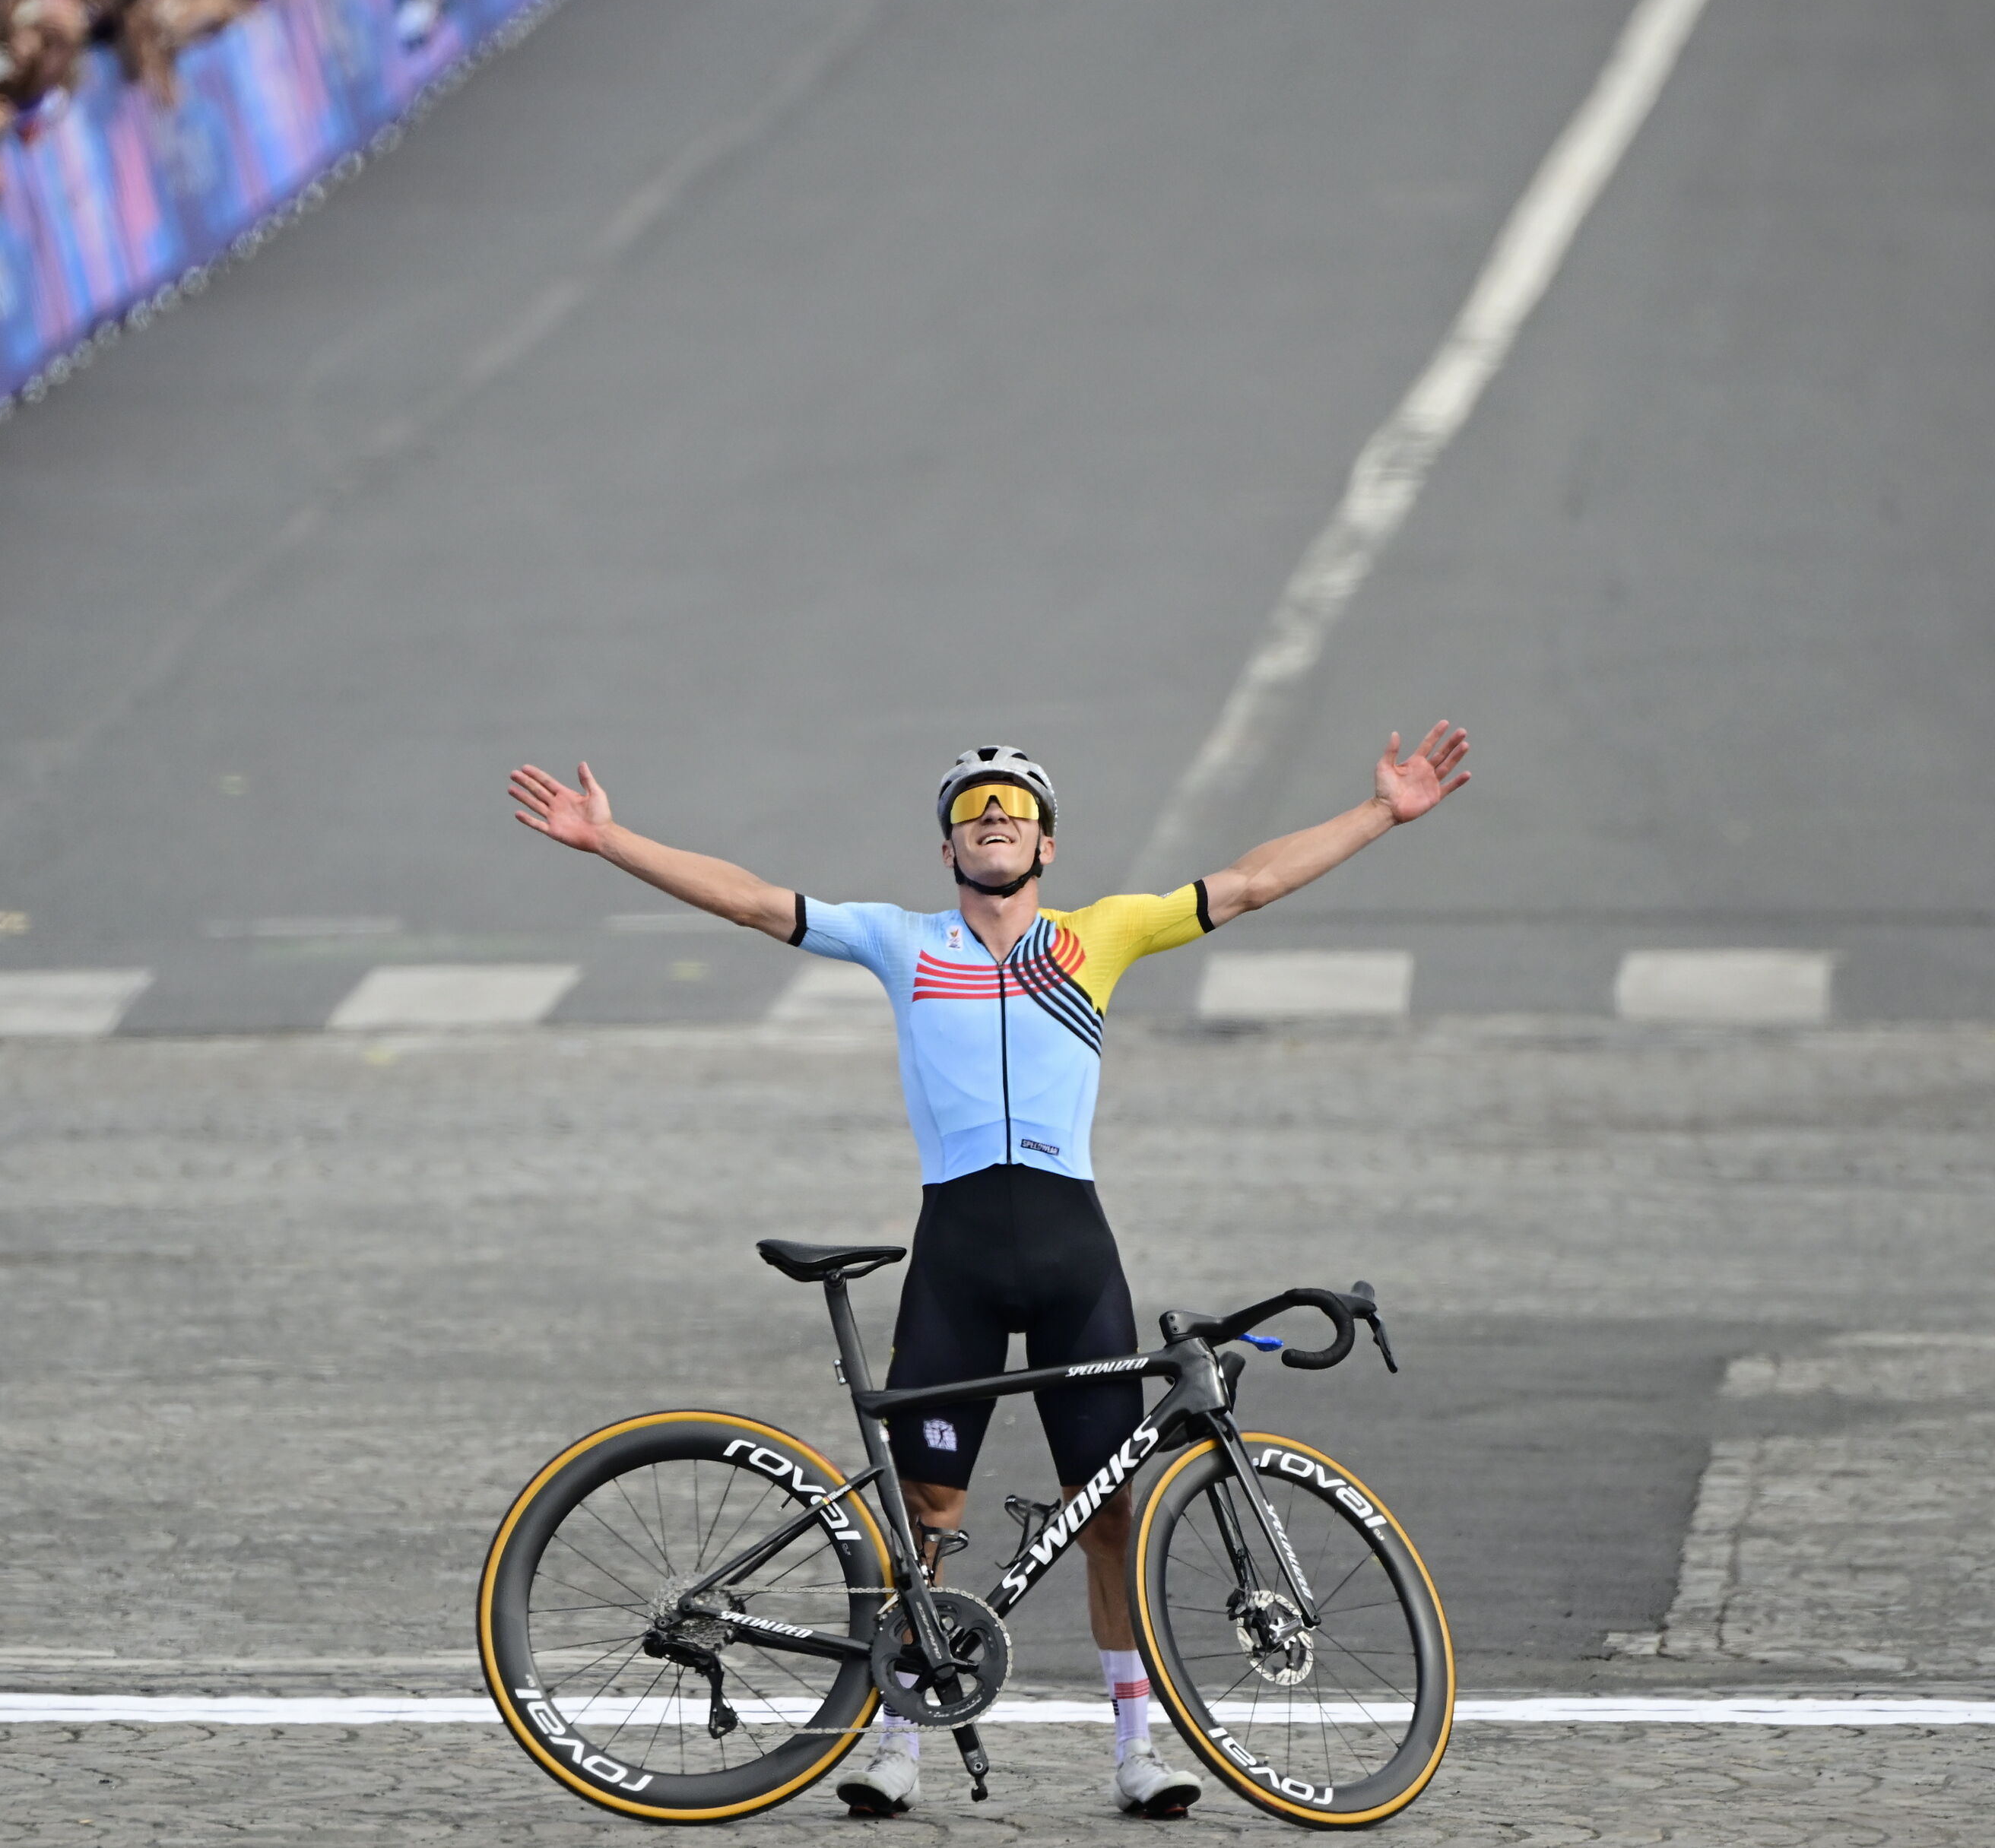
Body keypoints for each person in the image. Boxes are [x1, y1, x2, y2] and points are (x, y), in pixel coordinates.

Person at [507, 728, 1472, 1820]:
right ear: (948, 851)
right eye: (974, 814)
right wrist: (609, 839)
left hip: (1074, 1256)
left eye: (1012, 810)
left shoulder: (1099, 937)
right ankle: (898, 1747)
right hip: (957, 1255)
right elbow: (749, 900)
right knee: (925, 1510)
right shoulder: (901, 941)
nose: (994, 821)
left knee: (1109, 1511)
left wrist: (1380, 813)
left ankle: (1134, 1755)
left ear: (1047, 846)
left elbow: (1248, 884)